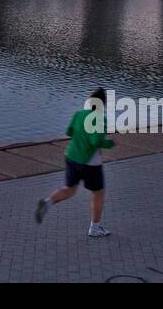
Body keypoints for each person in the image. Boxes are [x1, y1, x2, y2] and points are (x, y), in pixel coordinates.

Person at [35, 88, 114, 237]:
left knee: (70, 189)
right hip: (90, 163)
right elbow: (95, 141)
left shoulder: (78, 114)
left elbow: (69, 132)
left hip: (71, 156)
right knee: (98, 193)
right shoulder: (100, 118)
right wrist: (110, 143)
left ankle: (47, 202)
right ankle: (95, 228)